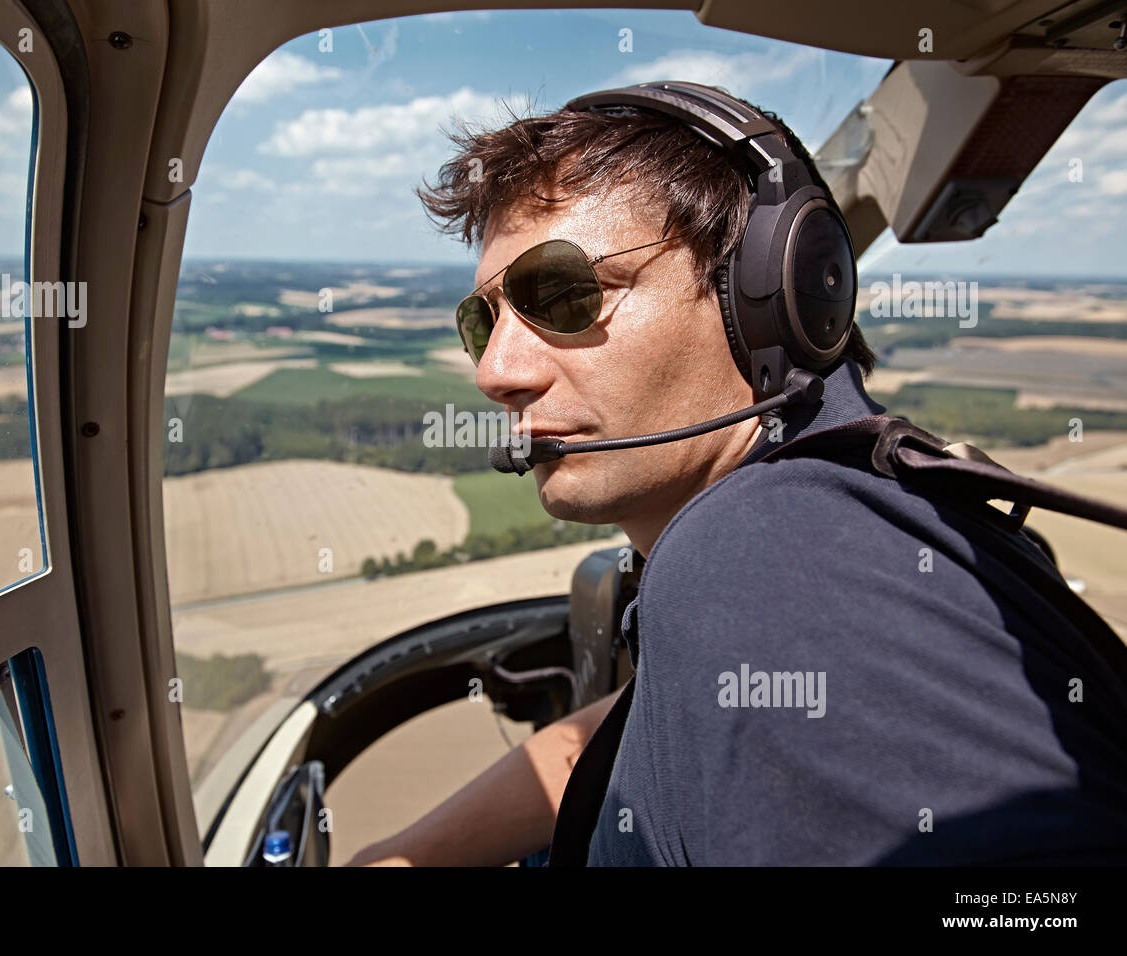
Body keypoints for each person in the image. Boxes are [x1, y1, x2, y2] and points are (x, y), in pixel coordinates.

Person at [345, 85, 1127, 866]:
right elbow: (675, 711)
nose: (495, 372)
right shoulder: (811, 526)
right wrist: (410, 852)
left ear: (765, 295)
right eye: (483, 322)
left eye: (563, 293)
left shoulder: (757, 555)